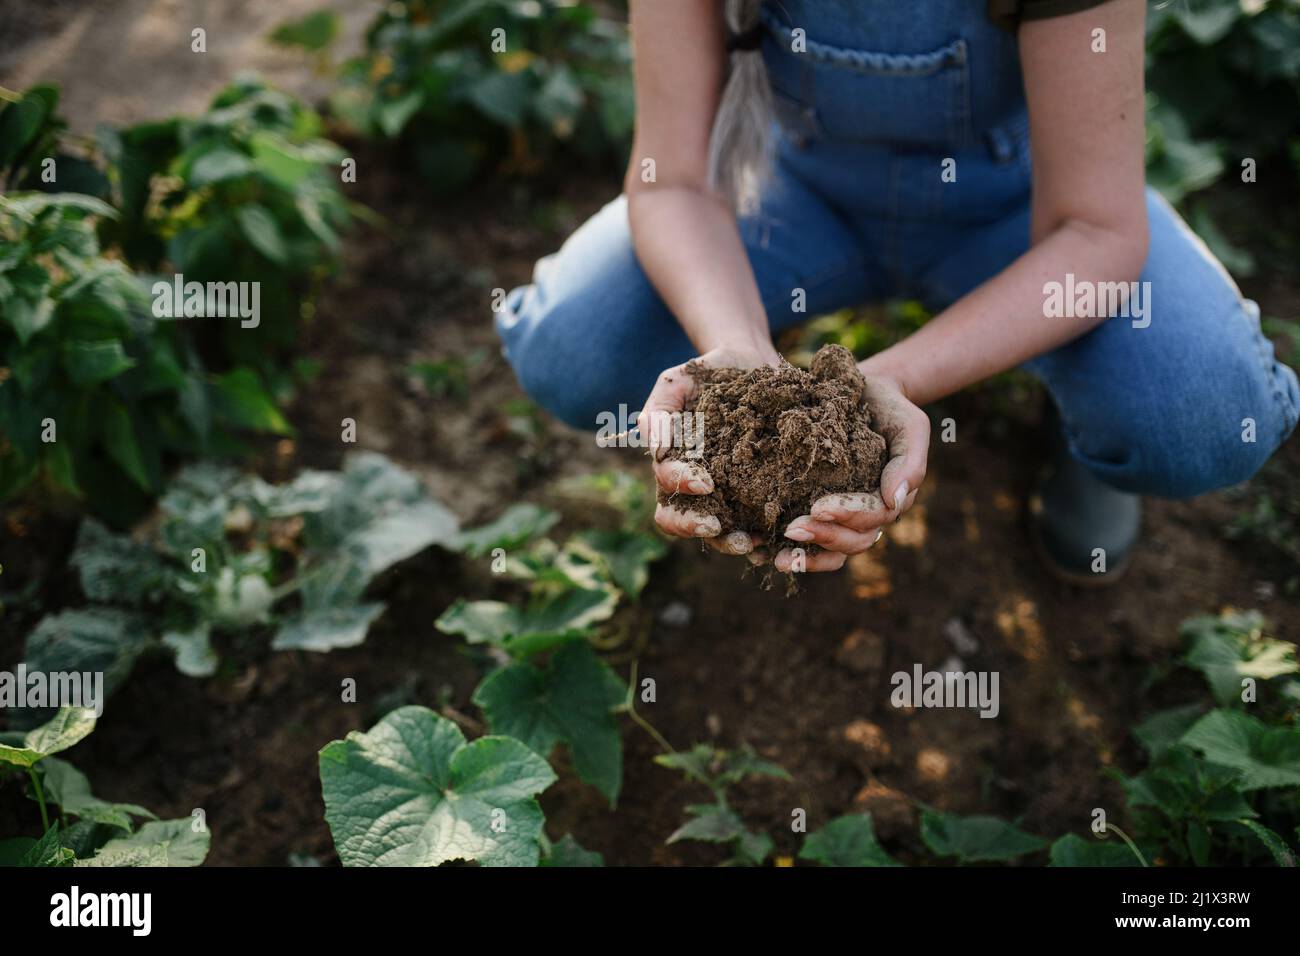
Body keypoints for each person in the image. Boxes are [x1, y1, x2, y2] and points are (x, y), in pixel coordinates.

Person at [494, 0, 1299, 582]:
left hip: (1026, 211)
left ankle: (1091, 438)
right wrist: (735, 358)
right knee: (579, 350)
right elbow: (671, 181)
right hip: (789, 188)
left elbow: (1096, 230)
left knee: (1195, 415)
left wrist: (888, 382)